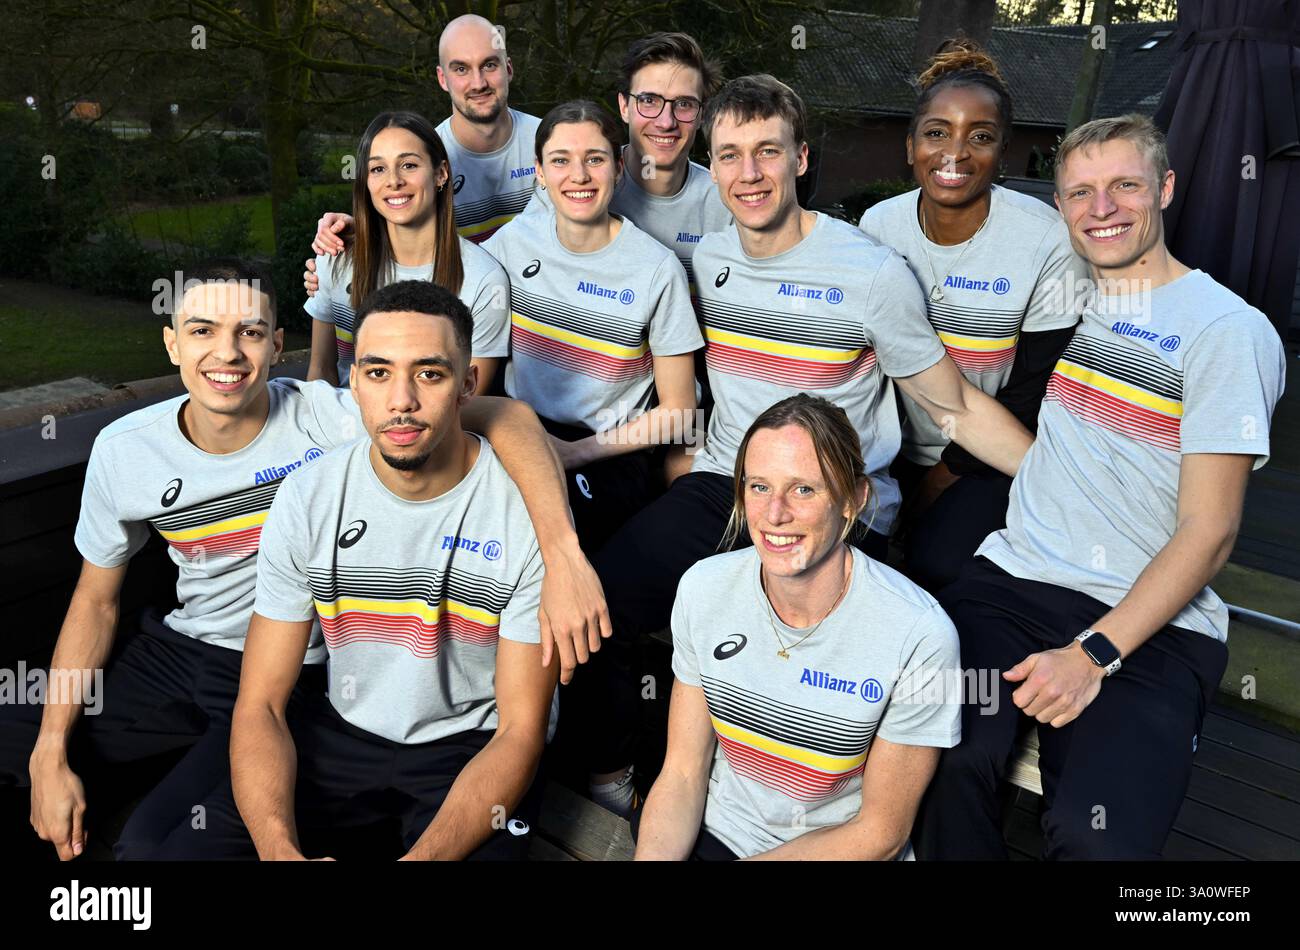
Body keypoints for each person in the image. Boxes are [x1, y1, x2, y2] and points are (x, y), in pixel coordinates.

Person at [0, 260, 609, 861]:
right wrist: (51, 749)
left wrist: (563, 551)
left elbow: (505, 415)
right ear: (171, 344)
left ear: (277, 344)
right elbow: (97, 601)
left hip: (355, 694)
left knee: (155, 836)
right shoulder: (141, 453)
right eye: (202, 331)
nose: (227, 354)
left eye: (250, 333)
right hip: (201, 653)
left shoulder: (337, 419)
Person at [573, 75, 1036, 816]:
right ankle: (609, 774)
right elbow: (586, 248)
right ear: (711, 164)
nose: (748, 174)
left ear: (800, 159)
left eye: (766, 153)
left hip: (837, 506)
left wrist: (1057, 480)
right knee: (594, 604)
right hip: (725, 484)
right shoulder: (708, 264)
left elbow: (953, 404)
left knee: (815, 681)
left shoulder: (871, 275)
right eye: (729, 156)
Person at [914, 115, 1286, 860]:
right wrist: (894, 342)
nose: (1102, 208)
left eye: (1124, 186)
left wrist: (1093, 655)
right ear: (1061, 208)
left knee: (1102, 839)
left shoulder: (1225, 331)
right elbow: (998, 428)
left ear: (1166, 189)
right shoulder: (1084, 306)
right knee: (935, 757)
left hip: (1152, 625)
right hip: (1013, 584)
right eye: (1081, 192)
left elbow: (1210, 532)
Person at [165, 281, 557, 860]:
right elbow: (262, 705)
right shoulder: (308, 497)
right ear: (354, 384)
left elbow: (520, 730)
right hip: (342, 729)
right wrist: (278, 851)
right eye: (377, 373)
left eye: (430, 373)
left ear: (468, 385)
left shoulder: (525, 509)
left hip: (472, 747)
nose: (401, 400)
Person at [634, 395, 960, 860]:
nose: (774, 514)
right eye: (759, 486)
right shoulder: (703, 589)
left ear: (854, 499)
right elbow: (683, 774)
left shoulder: (918, 634)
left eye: (804, 489)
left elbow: (881, 833)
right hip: (721, 834)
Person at [858, 40, 1087, 592]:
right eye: (937, 132)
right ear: (911, 145)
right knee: (857, 561)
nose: (955, 153)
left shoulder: (1047, 241)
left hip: (992, 453)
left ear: (1003, 152)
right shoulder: (876, 227)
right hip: (885, 448)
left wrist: (940, 479)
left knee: (939, 564)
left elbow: (1039, 387)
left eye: (979, 137)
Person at [482, 101, 703, 550]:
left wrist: (572, 453)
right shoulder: (510, 244)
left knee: (545, 536)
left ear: (619, 167)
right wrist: (358, 232)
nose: (578, 175)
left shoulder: (656, 270)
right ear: (539, 172)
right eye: (560, 160)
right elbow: (429, 264)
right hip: (522, 427)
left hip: (609, 450)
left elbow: (680, 412)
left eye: (595, 159)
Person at [304, 111, 510, 393]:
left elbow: (468, 401)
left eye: (409, 165)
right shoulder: (335, 257)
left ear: (441, 174)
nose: (393, 181)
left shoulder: (483, 280)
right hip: (342, 428)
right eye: (378, 169)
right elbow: (321, 373)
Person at [307, 14, 540, 258]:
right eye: (461, 69)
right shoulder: (422, 156)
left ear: (509, 69)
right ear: (442, 78)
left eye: (489, 65)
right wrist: (352, 240)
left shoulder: (552, 144)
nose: (478, 82)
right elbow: (398, 235)